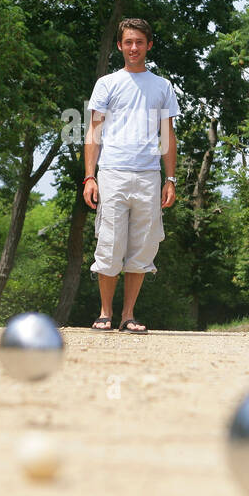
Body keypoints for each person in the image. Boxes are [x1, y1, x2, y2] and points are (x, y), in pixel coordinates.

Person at [84, 18, 180, 333]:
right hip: (111, 172)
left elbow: (167, 133)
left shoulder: (162, 86)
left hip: (150, 175)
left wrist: (171, 179)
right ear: (120, 45)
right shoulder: (107, 83)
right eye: (128, 42)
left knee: (143, 246)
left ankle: (128, 315)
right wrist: (90, 176)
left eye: (139, 42)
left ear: (149, 45)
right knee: (110, 244)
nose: (134, 48)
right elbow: (94, 132)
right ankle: (105, 313)